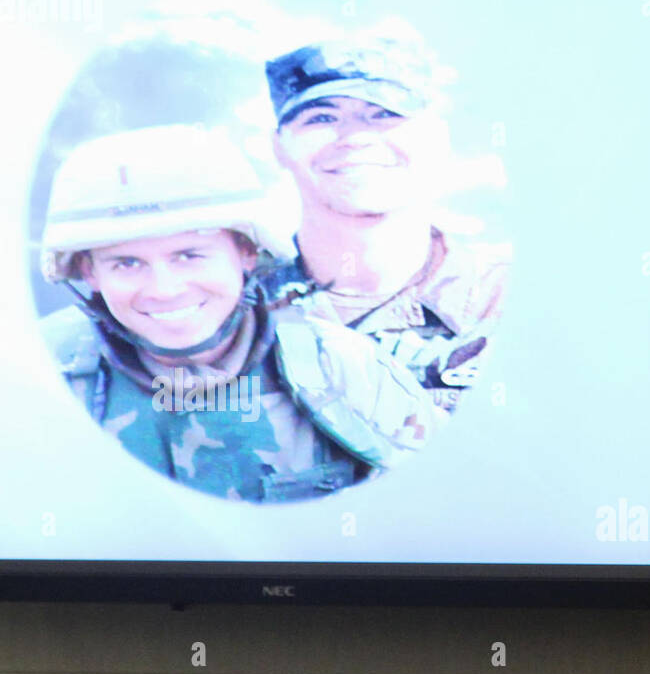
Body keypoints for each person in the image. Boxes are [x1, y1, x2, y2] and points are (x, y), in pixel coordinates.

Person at [40, 124, 439, 502]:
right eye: (126, 264)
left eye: (189, 255)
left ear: (247, 252)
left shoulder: (344, 369)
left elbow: (429, 512)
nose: (164, 289)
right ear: (88, 271)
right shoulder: (34, 377)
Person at [259, 37, 509, 414]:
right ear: (279, 147)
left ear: (437, 138)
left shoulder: (509, 302)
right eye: (322, 118)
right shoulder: (223, 315)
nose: (355, 137)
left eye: (385, 114)